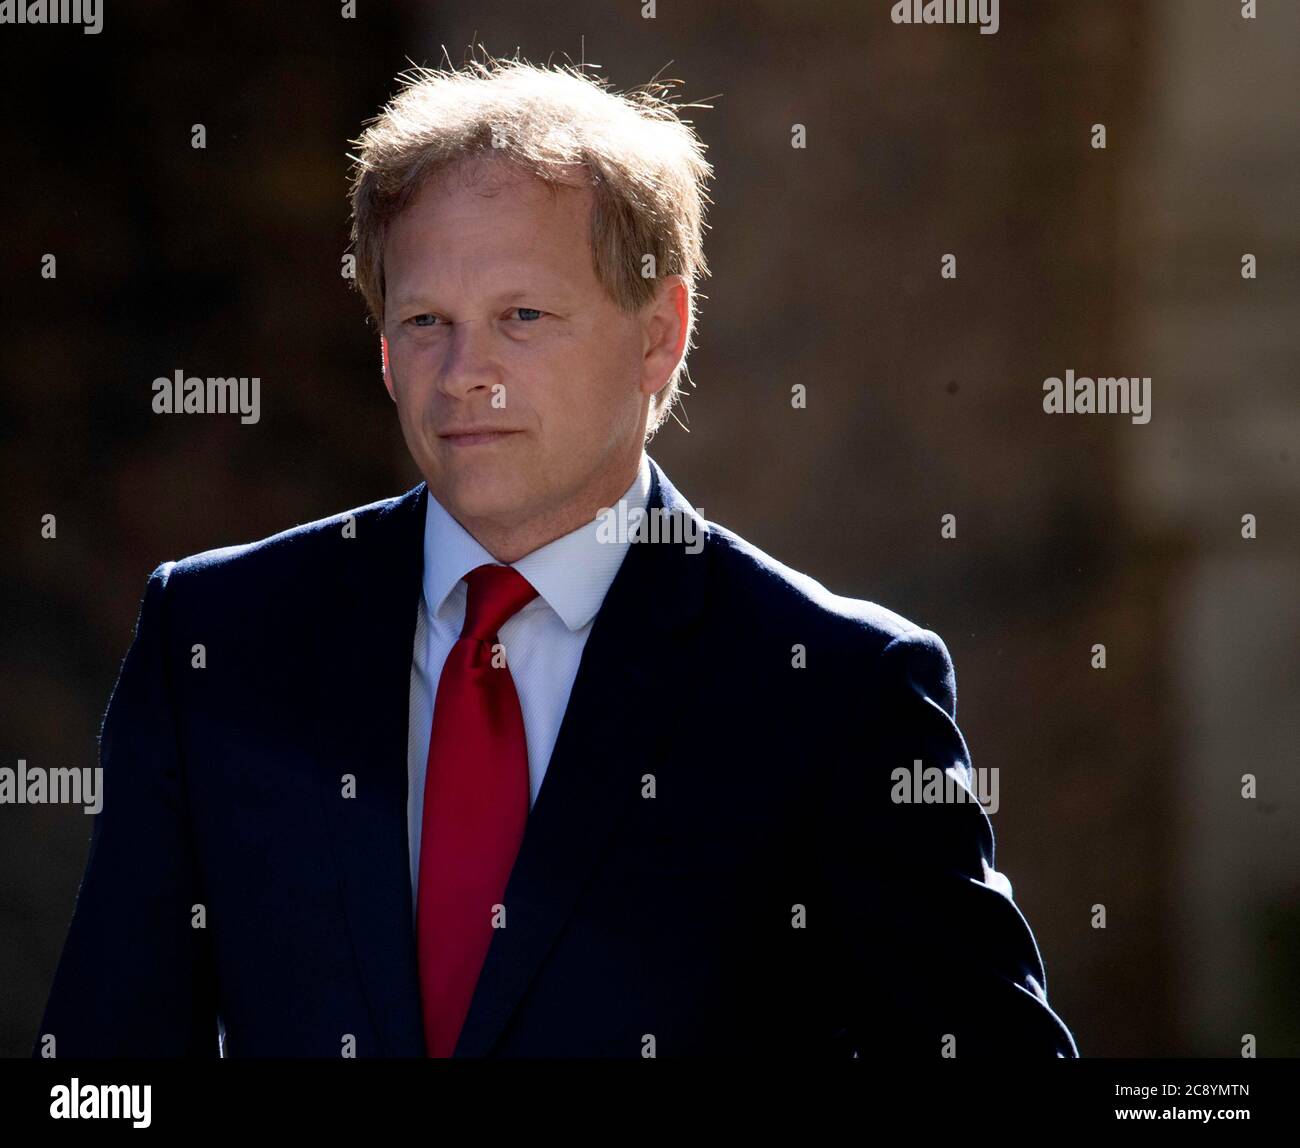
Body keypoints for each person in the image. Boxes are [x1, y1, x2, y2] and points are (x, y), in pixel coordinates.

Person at [34, 57, 1077, 1058]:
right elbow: (103, 1070)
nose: (464, 373)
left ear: (658, 335)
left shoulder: (836, 690)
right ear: (384, 347)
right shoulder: (217, 639)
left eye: (521, 317)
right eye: (426, 320)